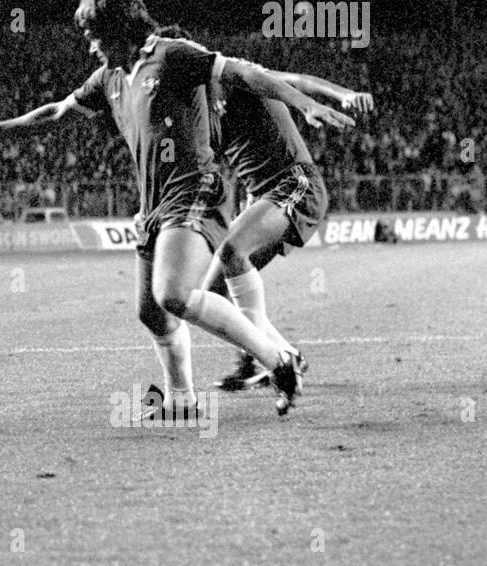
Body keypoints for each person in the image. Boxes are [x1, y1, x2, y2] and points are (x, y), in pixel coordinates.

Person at [0, 0, 355, 417]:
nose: (90, 48)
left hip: (194, 191)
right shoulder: (109, 79)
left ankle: (278, 360)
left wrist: (304, 104)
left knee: (173, 295)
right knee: (151, 312)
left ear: (118, 30)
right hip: (154, 205)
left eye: (93, 37)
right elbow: (57, 113)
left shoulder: (171, 55)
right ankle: (182, 402)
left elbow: (245, 74)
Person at [153, 26, 375, 389]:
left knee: (230, 253)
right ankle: (282, 356)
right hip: (261, 197)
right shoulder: (195, 110)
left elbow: (296, 81)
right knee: (211, 294)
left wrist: (342, 95)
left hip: (295, 182)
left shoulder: (231, 76)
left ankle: (267, 360)